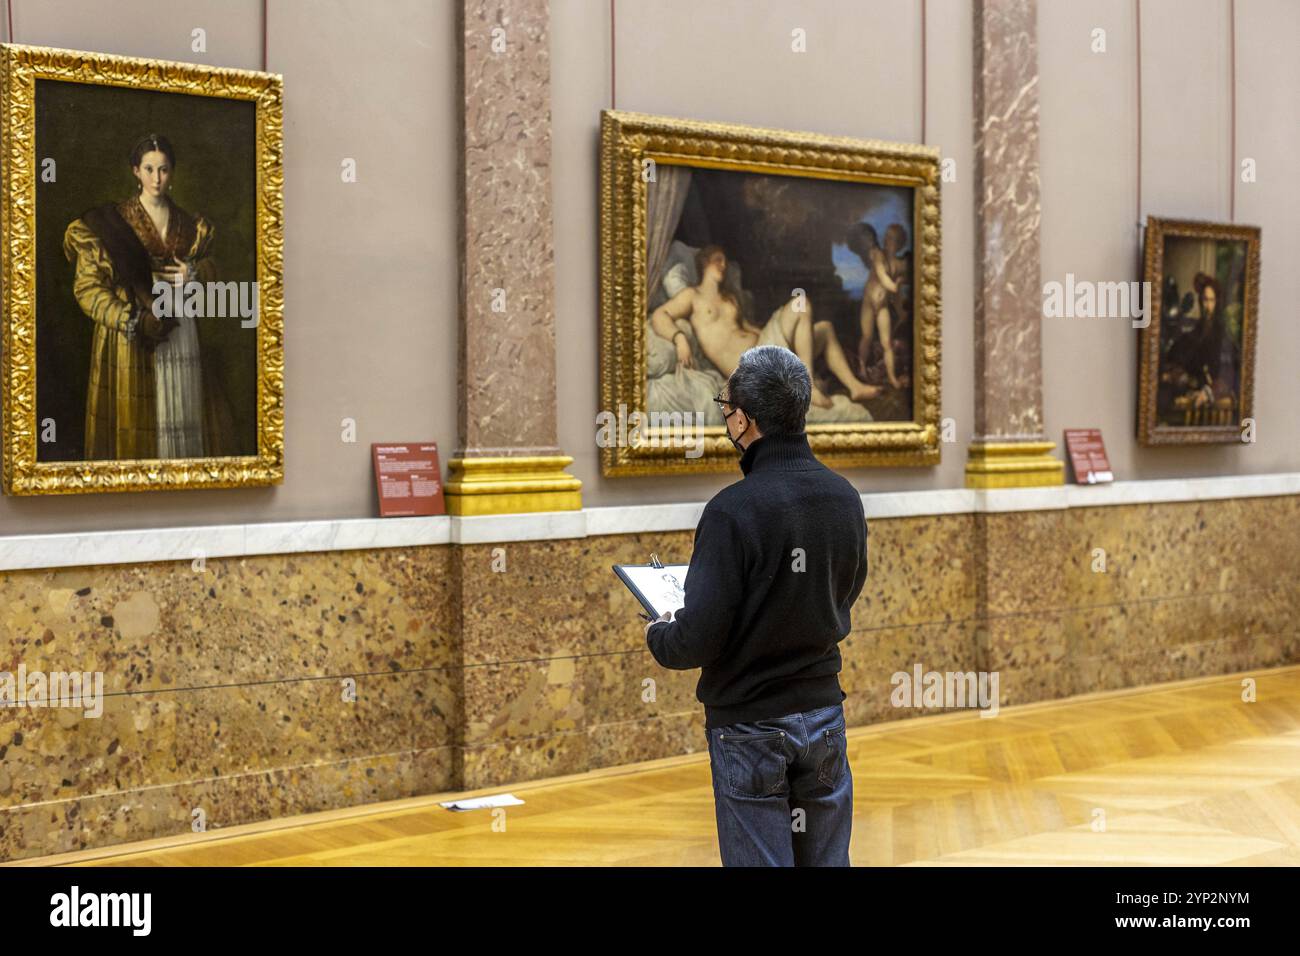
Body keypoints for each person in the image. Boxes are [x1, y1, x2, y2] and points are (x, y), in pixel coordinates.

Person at [644, 345, 869, 866]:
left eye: (727, 408)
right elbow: (845, 592)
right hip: (823, 716)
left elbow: (696, 638)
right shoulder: (844, 497)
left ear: (744, 419)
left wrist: (660, 630)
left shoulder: (732, 511)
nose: (727, 418)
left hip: (749, 726)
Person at [63, 132, 238, 460]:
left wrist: (194, 274)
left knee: (183, 417)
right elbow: (87, 289)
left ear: (172, 173)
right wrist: (132, 319)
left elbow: (216, 272)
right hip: (130, 336)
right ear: (135, 171)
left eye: (164, 169)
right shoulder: (110, 223)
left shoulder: (190, 224)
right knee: (139, 427)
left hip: (182, 330)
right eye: (149, 169)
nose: (156, 178)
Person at [649, 244, 881, 409]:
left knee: (825, 328)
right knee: (800, 304)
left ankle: (854, 387)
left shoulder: (730, 299)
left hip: (765, 348)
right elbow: (660, 315)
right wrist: (679, 338)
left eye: (725, 261)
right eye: (717, 260)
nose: (723, 265)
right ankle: (807, 384)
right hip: (748, 366)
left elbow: (748, 328)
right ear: (704, 263)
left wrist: (782, 330)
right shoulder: (692, 296)